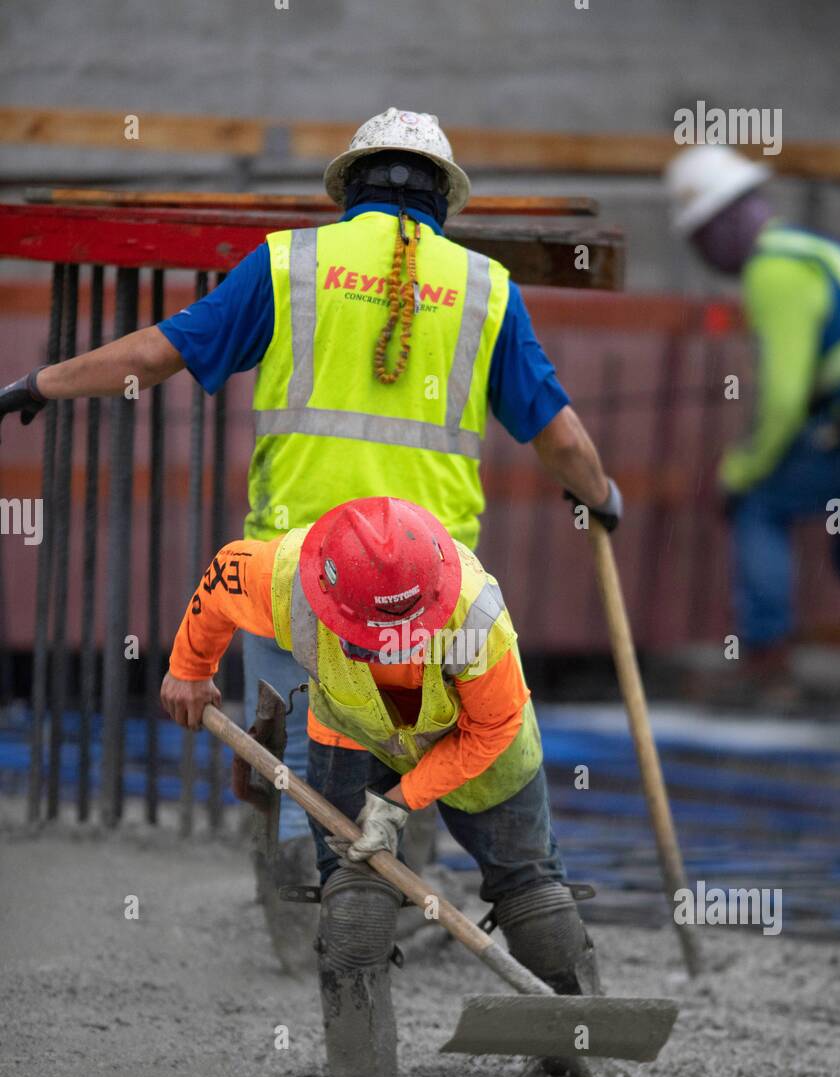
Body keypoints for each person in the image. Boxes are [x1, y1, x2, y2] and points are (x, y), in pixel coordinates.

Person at [1, 107, 620, 943]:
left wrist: (42, 381)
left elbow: (154, 356)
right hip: (432, 590)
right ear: (442, 199)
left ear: (349, 188)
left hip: (301, 574)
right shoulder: (484, 289)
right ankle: (413, 909)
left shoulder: (290, 262)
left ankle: (319, 940)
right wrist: (603, 496)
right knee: (424, 750)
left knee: (305, 764)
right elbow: (564, 438)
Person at [160, 496, 608, 1077]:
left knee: (531, 893)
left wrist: (401, 800)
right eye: (373, 642)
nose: (393, 651)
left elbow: (494, 728)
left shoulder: (478, 620)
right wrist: (190, 668)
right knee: (354, 906)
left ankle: (575, 1067)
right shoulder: (289, 578)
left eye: (405, 639)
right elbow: (221, 577)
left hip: (478, 742)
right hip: (353, 730)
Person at [667, 146, 840, 700]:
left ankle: (768, 664)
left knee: (759, 503)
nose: (704, 251)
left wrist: (740, 470)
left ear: (725, 222)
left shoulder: (773, 270)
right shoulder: (810, 251)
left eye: (702, 236)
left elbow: (783, 400)